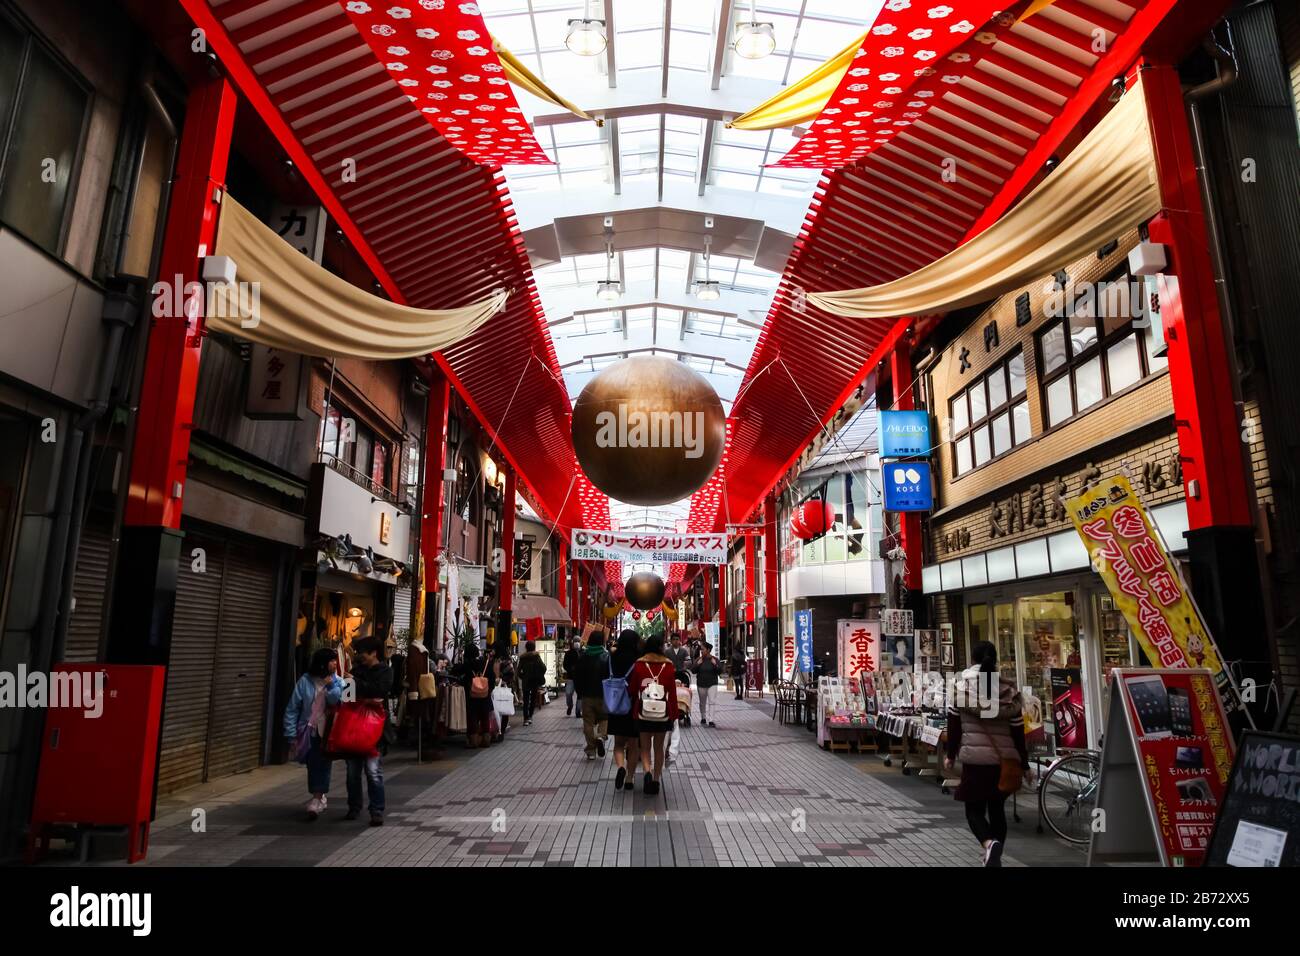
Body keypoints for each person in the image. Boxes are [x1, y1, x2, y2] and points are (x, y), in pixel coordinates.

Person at [944, 640, 1029, 867]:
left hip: (975, 761)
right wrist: (1026, 764)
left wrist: (950, 755)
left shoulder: (961, 690)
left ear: (972, 660)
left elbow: (954, 728)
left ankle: (989, 845)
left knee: (973, 810)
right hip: (1004, 761)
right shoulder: (1009, 692)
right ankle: (994, 854)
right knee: (997, 809)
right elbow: (1018, 733)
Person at [283, 648, 345, 821]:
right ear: (322, 663)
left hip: (329, 731)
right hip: (309, 729)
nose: (335, 663)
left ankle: (317, 797)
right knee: (313, 763)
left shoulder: (340, 681)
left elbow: (339, 701)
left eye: (335, 660)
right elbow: (293, 707)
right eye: (331, 660)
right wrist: (290, 732)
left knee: (322, 762)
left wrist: (331, 685)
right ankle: (319, 796)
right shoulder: (305, 681)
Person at [344, 636, 393, 825]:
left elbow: (380, 691)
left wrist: (356, 684)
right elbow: (347, 697)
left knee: (373, 771)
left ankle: (377, 810)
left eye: (362, 652)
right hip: (354, 727)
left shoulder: (386, 672)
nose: (359, 656)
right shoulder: (356, 671)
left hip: (375, 730)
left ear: (373, 653)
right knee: (352, 771)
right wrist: (352, 684)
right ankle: (354, 807)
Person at [628, 634, 678, 795]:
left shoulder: (639, 664)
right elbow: (672, 692)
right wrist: (674, 714)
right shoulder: (668, 665)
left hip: (643, 710)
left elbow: (633, 689)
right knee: (659, 747)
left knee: (645, 746)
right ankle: (656, 780)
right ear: (661, 647)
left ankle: (647, 771)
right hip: (662, 712)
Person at [606, 630, 641, 790]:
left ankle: (620, 766)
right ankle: (629, 778)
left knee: (618, 743)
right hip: (632, 704)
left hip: (615, 704)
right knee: (633, 745)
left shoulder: (612, 657)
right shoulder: (638, 659)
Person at [573, 629, 610, 760]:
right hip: (603, 695)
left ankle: (591, 750)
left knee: (588, 723)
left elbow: (576, 676)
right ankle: (600, 735)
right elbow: (610, 676)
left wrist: (580, 693)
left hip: (587, 695)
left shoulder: (583, 656)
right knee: (604, 718)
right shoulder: (607, 657)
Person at [453, 642, 495, 748]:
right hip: (485, 696)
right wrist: (488, 690)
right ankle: (486, 740)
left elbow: (455, 672)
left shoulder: (467, 664)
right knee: (485, 717)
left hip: (472, 696)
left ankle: (474, 741)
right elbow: (493, 679)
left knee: (473, 718)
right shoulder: (486, 663)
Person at [690, 642, 722, 728]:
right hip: (701, 684)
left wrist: (715, 664)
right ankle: (703, 717)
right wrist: (698, 664)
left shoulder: (714, 659)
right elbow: (693, 670)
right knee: (702, 702)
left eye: (703, 649)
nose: (701, 651)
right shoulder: (699, 659)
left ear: (708, 650)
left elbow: (720, 671)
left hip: (712, 683)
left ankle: (711, 720)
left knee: (712, 702)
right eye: (701, 649)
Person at [518, 640, 546, 726]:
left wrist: (523, 677)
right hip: (535, 681)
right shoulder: (537, 657)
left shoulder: (523, 658)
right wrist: (539, 675)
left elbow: (518, 671)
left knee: (526, 700)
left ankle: (525, 719)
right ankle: (530, 717)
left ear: (526, 648)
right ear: (534, 648)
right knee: (533, 699)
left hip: (526, 681)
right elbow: (544, 668)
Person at [494, 649, 516, 739]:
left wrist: (501, 680)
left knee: (501, 709)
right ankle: (499, 731)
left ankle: (500, 731)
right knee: (500, 709)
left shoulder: (503, 661)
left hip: (500, 688)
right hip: (500, 688)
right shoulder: (504, 661)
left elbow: (511, 673)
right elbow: (512, 673)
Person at [562, 637, 583, 718]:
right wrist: (570, 668)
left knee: (580, 695)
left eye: (578, 641)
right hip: (571, 677)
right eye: (575, 641)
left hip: (580, 678)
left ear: (581, 642)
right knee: (568, 693)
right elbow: (565, 665)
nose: (577, 643)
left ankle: (578, 711)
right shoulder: (568, 653)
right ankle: (570, 705)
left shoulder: (583, 652)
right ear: (572, 642)